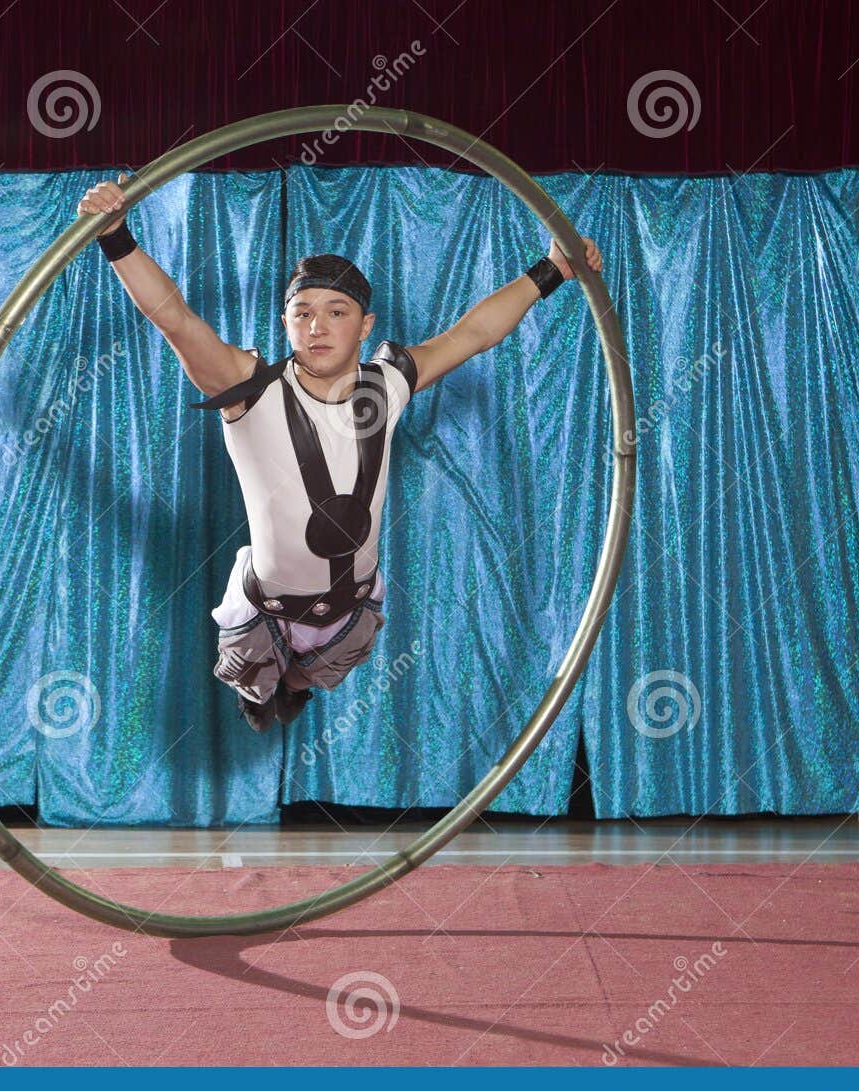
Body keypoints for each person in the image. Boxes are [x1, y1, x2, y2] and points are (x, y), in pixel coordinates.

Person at [78, 173, 602, 732]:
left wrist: (555, 270)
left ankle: (295, 686)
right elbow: (174, 318)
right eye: (302, 312)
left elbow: (473, 333)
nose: (317, 326)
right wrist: (115, 237)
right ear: (285, 323)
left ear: (365, 325)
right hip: (264, 612)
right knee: (254, 690)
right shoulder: (249, 388)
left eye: (336, 311)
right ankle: (265, 691)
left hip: (351, 612)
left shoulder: (388, 383)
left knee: (307, 683)